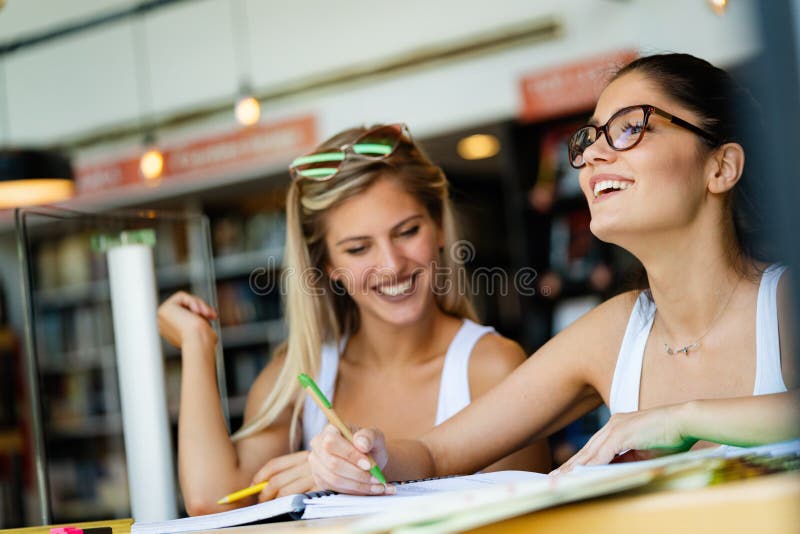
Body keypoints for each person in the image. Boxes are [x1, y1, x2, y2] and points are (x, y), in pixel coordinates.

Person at [307, 53, 800, 495]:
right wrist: (369, 456)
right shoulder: (613, 332)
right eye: (588, 138)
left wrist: (680, 420)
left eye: (630, 127)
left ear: (721, 167)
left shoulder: (783, 302)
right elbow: (437, 454)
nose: (591, 156)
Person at [157, 123, 550, 515]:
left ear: (440, 228)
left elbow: (530, 520)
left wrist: (346, 482)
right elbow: (213, 502)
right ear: (328, 264)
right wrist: (196, 344)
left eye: (407, 231)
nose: (391, 265)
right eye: (359, 248)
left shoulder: (491, 367)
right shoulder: (300, 376)